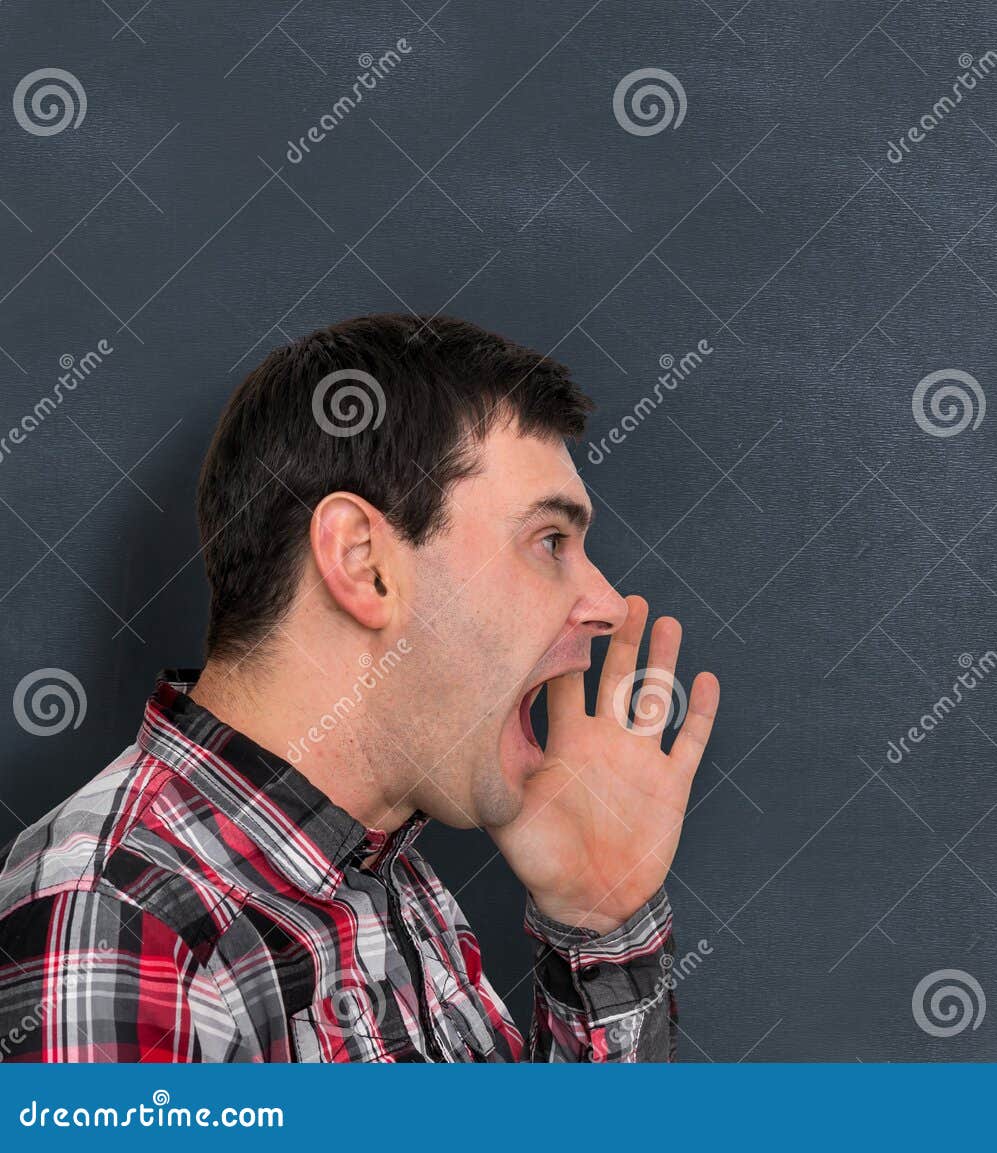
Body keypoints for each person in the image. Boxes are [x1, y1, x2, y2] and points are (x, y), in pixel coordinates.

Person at [0, 314, 718, 1062]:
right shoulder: (117, 926)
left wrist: (599, 919)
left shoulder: (390, 873)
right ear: (362, 562)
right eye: (549, 541)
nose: (604, 602)